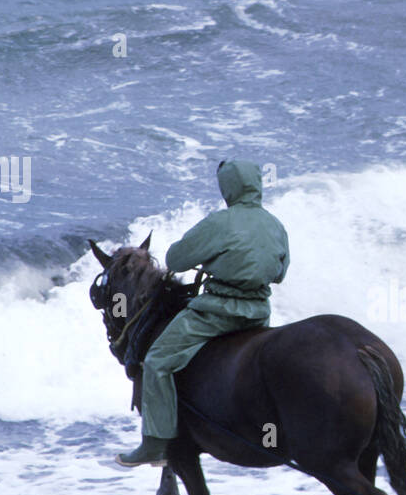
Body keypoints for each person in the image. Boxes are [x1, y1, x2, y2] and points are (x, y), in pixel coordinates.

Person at [116, 159, 290, 467]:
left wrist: (212, 260)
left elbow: (176, 260)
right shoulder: (275, 225)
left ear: (228, 187)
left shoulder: (219, 222)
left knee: (157, 361)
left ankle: (155, 444)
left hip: (217, 312)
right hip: (258, 314)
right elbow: (279, 273)